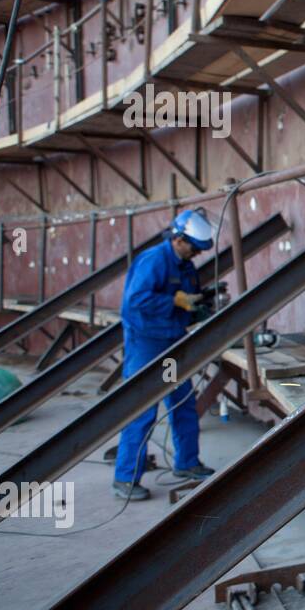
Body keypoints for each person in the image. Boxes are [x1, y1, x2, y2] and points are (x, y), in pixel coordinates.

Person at [111, 209, 217, 500]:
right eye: (193, 247)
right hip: (146, 343)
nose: (196, 253)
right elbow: (135, 300)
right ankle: (125, 478)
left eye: (200, 250)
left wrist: (198, 306)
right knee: (142, 409)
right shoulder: (154, 259)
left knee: (183, 402)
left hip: (173, 342)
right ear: (178, 238)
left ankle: (187, 463)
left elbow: (187, 300)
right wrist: (175, 300)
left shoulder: (185, 266)